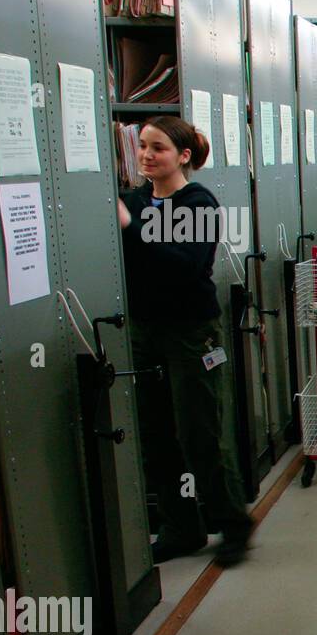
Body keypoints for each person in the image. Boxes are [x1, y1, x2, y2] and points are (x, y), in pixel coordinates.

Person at [116, 116, 254, 566]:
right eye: (142, 147)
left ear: (184, 156)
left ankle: (232, 523)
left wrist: (130, 229)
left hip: (191, 334)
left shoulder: (198, 203)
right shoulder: (133, 200)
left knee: (202, 435)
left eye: (158, 148)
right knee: (157, 437)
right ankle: (182, 527)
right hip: (143, 332)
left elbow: (183, 267)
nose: (146, 155)